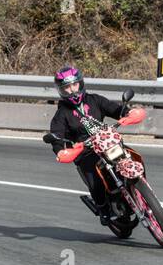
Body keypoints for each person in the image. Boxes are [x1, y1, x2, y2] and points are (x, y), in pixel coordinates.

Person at [45, 65, 130, 218]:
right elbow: (56, 135)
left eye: (74, 85)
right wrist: (60, 150)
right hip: (85, 153)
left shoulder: (95, 100)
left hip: (108, 143)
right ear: (61, 90)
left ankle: (139, 186)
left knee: (132, 156)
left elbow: (115, 110)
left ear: (80, 83)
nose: (72, 90)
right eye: (66, 87)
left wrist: (129, 112)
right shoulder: (62, 113)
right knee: (95, 181)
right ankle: (103, 208)